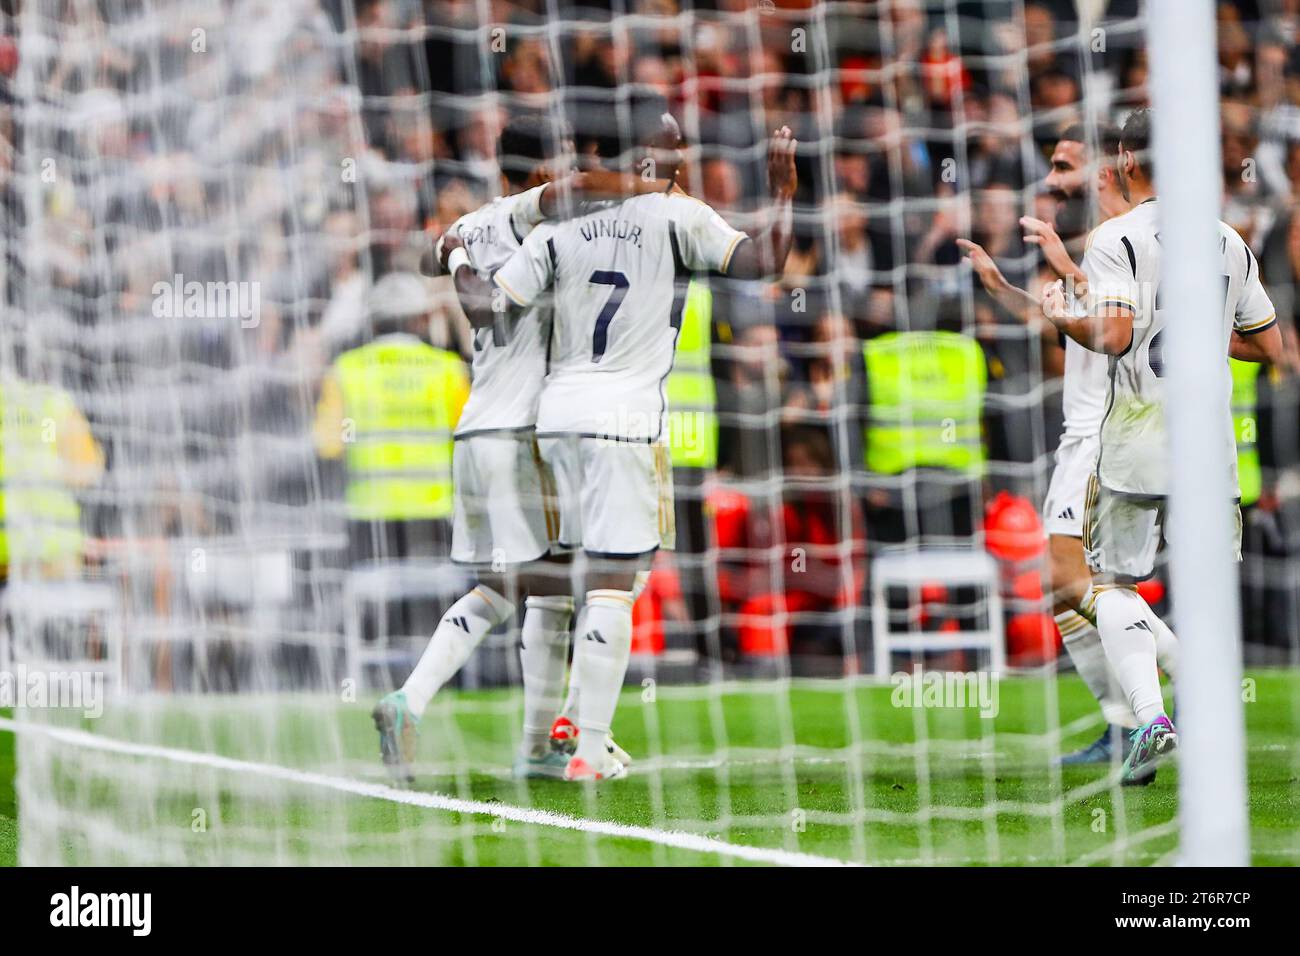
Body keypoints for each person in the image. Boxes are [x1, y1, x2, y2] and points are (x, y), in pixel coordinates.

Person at [458, 92, 797, 780]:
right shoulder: (677, 216)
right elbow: (765, 264)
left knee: (559, 583)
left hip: (554, 422)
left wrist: (462, 255)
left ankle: (547, 739)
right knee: (618, 582)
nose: (682, 161)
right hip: (625, 419)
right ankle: (586, 746)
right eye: (672, 149)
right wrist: (783, 193)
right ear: (642, 154)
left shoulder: (557, 227)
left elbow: (487, 308)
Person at [371, 115, 664, 783]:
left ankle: (476, 720)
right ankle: (553, 734)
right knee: (571, 583)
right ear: (537, 171)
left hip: (477, 425)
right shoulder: (539, 211)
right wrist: (660, 182)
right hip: (529, 431)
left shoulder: (474, 225)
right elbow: (574, 196)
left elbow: (425, 257)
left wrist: (450, 249)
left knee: (529, 585)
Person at [1040, 108, 1285, 783]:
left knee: (1111, 585)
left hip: (1137, 441)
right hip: (1210, 449)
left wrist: (1068, 320)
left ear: (1124, 163)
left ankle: (1151, 719)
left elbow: (1115, 336)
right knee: (1206, 594)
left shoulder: (1116, 237)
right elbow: (1271, 346)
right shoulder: (1229, 242)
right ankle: (1207, 717)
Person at [959, 124, 1147, 766]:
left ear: (1102, 170)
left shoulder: (1116, 242)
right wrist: (1002, 288)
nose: (1049, 179)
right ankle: (1127, 723)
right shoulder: (1101, 243)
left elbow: (1118, 330)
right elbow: (1062, 321)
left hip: (1107, 430)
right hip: (1094, 431)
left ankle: (1173, 696)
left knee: (1071, 581)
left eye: (1063, 166)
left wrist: (1067, 270)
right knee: (1076, 588)